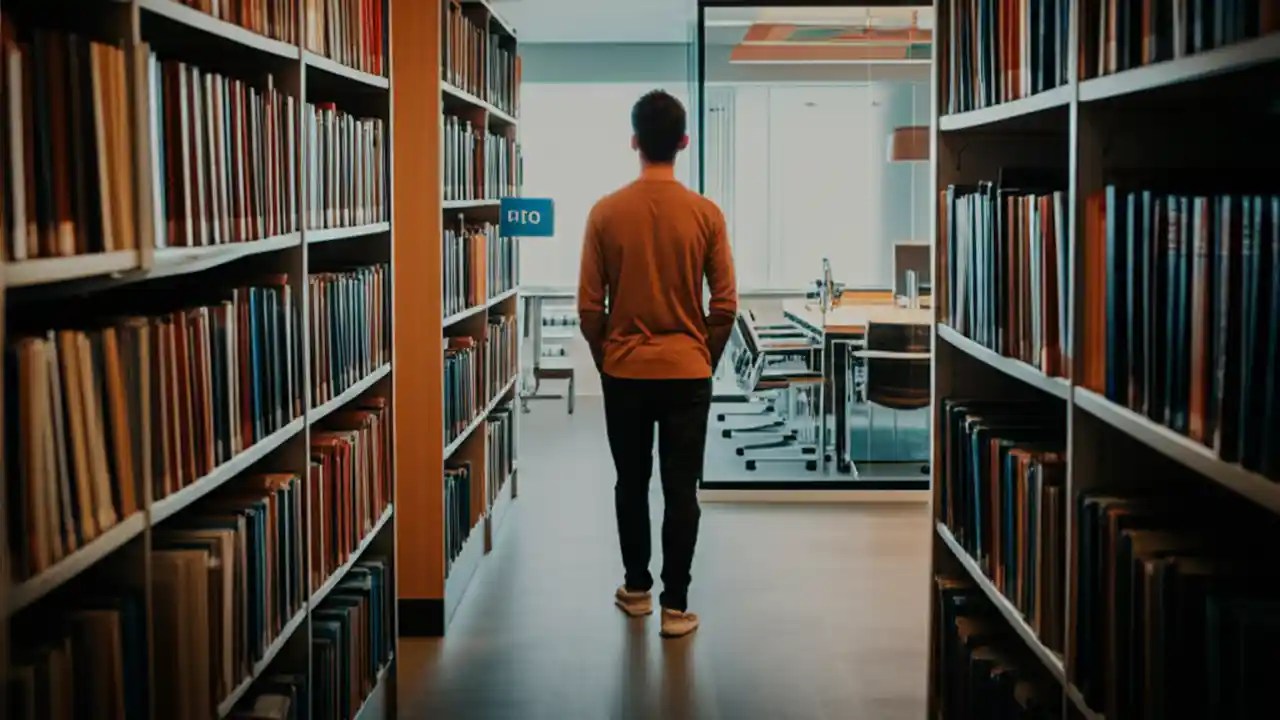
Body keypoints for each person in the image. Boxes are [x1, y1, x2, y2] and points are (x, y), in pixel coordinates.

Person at [577, 90, 738, 638]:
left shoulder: (604, 212)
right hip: (688, 372)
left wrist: (608, 361)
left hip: (625, 372)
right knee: (680, 490)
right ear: (684, 142)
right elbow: (725, 306)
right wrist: (702, 359)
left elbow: (587, 308)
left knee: (630, 483)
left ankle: (637, 590)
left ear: (634, 141)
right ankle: (677, 606)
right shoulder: (706, 214)